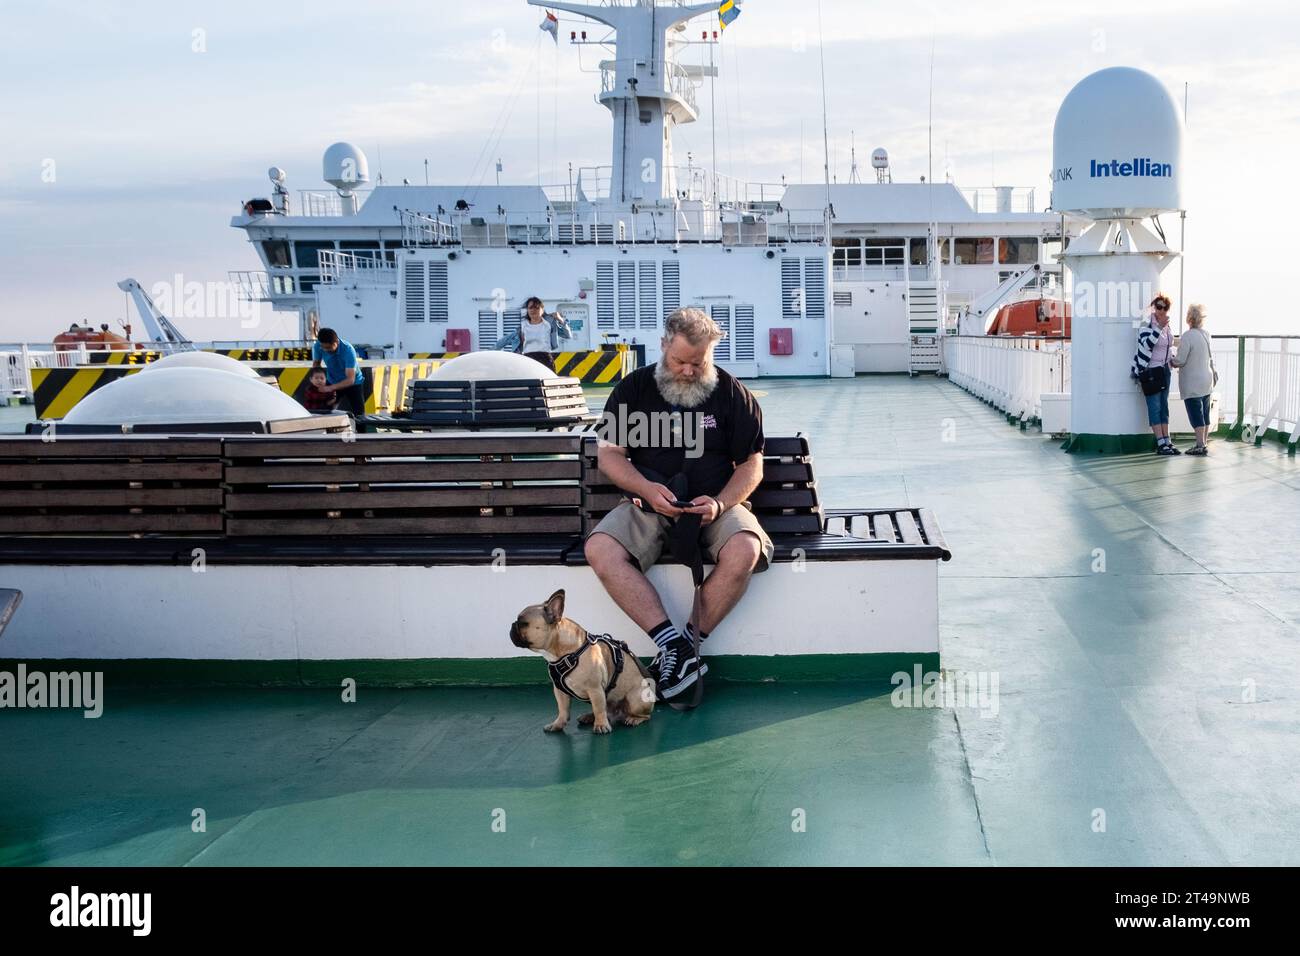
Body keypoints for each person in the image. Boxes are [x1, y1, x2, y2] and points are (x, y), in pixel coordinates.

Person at [583, 308, 774, 700]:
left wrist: (720, 505)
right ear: (664, 345)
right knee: (599, 549)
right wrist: (648, 491)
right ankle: (675, 647)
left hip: (714, 503)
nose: (688, 371)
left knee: (745, 549)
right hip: (647, 502)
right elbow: (610, 456)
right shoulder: (631, 390)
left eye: (698, 363)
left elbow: (752, 465)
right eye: (680, 361)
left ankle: (687, 644)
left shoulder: (732, 394)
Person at [1131, 294, 1178, 455]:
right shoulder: (1146, 325)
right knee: (1155, 406)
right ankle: (1160, 443)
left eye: (1165, 307)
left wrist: (1172, 359)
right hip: (1151, 371)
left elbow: (1168, 347)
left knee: (1164, 406)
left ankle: (1167, 441)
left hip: (1165, 370)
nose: (1162, 310)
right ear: (1153, 307)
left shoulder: (1167, 326)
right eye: (1159, 307)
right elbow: (1147, 344)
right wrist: (1158, 327)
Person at [1171, 303, 1216, 456]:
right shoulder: (1206, 334)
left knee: (1196, 414)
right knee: (1205, 414)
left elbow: (1180, 360)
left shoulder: (1188, 336)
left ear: (1189, 318)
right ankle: (1203, 442)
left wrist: (1171, 360)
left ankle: (1200, 445)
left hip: (1193, 382)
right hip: (1207, 380)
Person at [494, 296, 572, 372]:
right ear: (527, 310)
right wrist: (489, 353)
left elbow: (567, 335)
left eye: (536, 307)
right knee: (530, 383)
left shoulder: (549, 324)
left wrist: (560, 319)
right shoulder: (523, 326)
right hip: (528, 359)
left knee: (548, 383)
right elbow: (504, 341)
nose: (533, 310)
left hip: (546, 359)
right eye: (530, 308)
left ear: (542, 310)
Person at [310, 327, 366, 417]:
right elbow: (316, 364)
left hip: (353, 383)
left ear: (336, 343)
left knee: (359, 414)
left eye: (328, 347)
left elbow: (350, 379)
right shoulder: (318, 346)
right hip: (332, 379)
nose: (325, 350)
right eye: (323, 347)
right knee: (323, 410)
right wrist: (318, 380)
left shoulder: (348, 350)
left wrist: (330, 388)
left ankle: (361, 430)